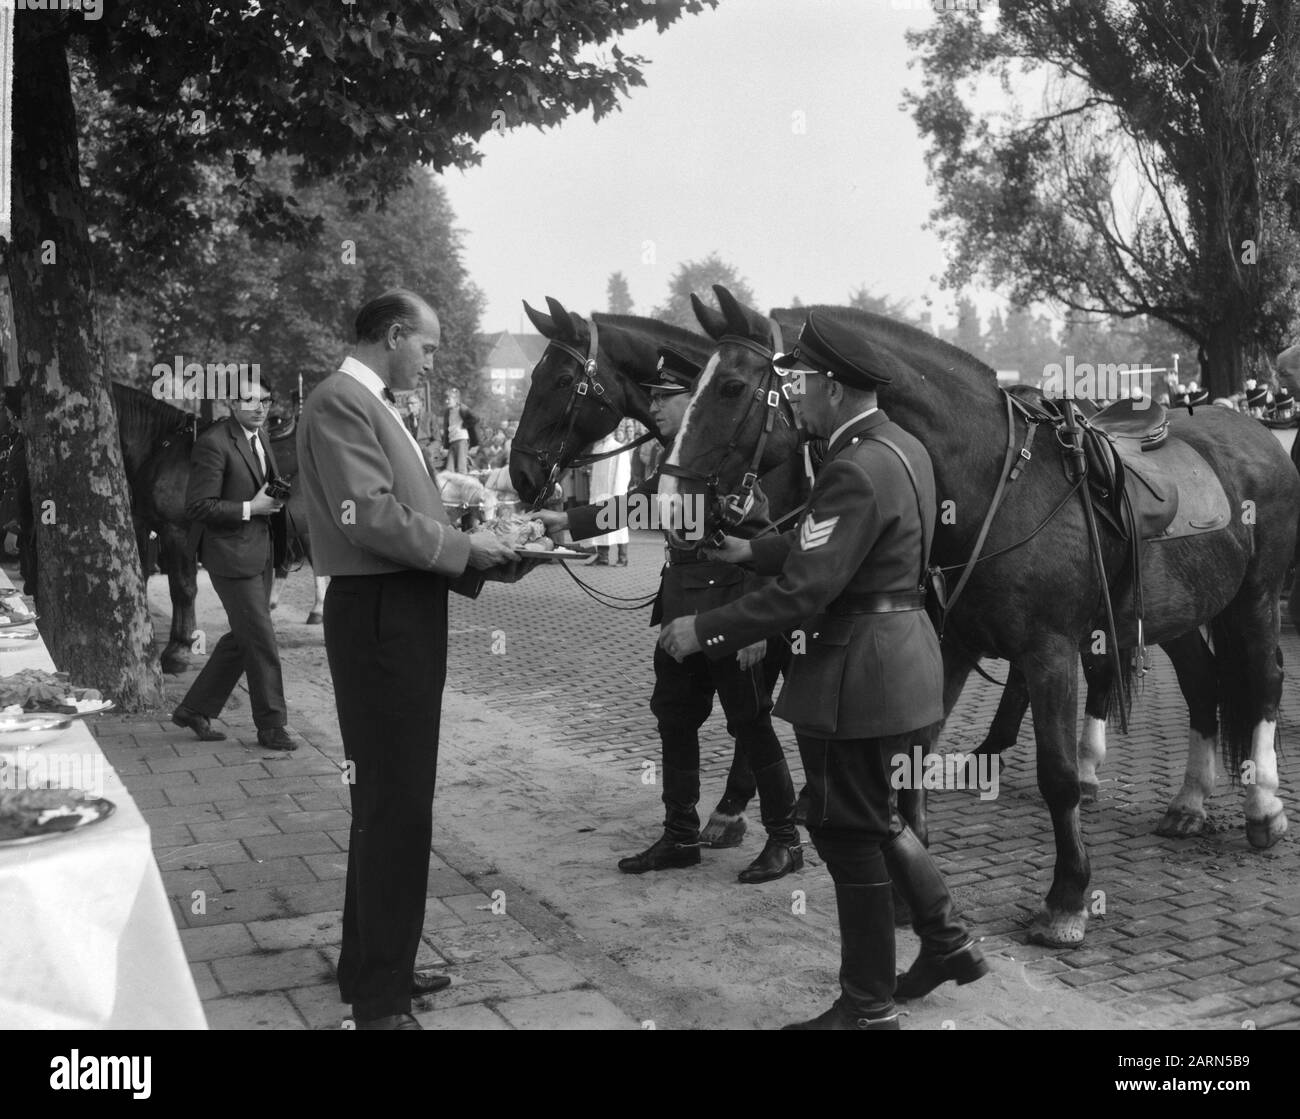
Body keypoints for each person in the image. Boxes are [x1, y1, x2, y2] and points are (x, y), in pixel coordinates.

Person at [659, 311, 987, 1029]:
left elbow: (806, 589)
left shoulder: (853, 467)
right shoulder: (897, 447)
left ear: (833, 388)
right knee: (877, 817)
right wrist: (752, 551)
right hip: (901, 662)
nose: (794, 396)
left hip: (857, 675)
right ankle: (947, 942)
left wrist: (704, 628)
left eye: (801, 383)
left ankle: (868, 1006)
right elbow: (832, 541)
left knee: (846, 831)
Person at [298, 288, 519, 1031]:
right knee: (395, 805)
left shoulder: (369, 402)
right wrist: (464, 549)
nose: (429, 363)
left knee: (388, 801)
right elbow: (371, 515)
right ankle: (381, 1000)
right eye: (425, 347)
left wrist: (481, 549)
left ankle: (372, 964)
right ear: (393, 335)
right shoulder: (342, 400)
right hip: (381, 612)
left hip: (397, 607)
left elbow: (398, 509)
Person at [537, 347, 800, 882]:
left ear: (695, 401)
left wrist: (757, 626)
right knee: (675, 720)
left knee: (750, 725)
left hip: (731, 612)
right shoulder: (678, 462)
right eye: (652, 398)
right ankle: (680, 836)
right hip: (681, 607)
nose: (654, 407)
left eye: (666, 398)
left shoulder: (729, 456)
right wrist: (568, 522)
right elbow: (643, 504)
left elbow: (761, 541)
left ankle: (785, 840)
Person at [172, 382, 296, 752]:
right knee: (260, 638)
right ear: (231, 402)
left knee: (245, 636)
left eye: (265, 400)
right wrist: (250, 508)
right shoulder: (213, 443)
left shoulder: (260, 437)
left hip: (262, 551)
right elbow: (198, 506)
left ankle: (194, 709)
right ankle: (272, 726)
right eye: (249, 400)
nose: (259, 407)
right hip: (229, 555)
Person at [586, 422, 632, 566]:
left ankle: (623, 557)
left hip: (614, 493)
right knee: (600, 525)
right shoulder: (597, 449)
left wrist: (618, 494)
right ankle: (602, 556)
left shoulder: (619, 448)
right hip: (599, 493)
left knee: (618, 525)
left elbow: (623, 473)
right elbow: (594, 475)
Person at [442, 387, 480, 473]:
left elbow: (475, 418)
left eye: (449, 399)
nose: (446, 401)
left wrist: (464, 425)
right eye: (446, 399)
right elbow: (447, 429)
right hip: (452, 440)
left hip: (461, 439)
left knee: (461, 466)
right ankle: (451, 480)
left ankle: (463, 480)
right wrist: (445, 446)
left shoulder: (462, 408)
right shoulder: (448, 412)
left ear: (456, 400)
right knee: (449, 468)